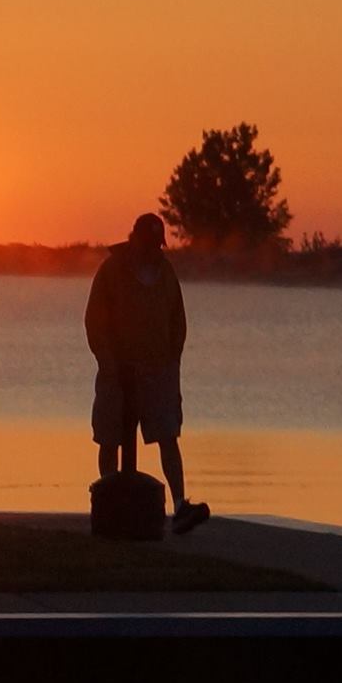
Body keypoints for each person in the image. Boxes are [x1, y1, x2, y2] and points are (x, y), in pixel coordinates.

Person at [86, 212, 209, 533]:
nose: (154, 250)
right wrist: (108, 361)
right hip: (117, 371)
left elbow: (177, 320)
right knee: (110, 436)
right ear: (134, 238)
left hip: (159, 372)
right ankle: (108, 499)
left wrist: (172, 361)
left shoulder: (166, 272)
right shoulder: (112, 271)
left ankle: (180, 505)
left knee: (168, 435)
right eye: (148, 243)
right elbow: (95, 320)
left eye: (158, 244)